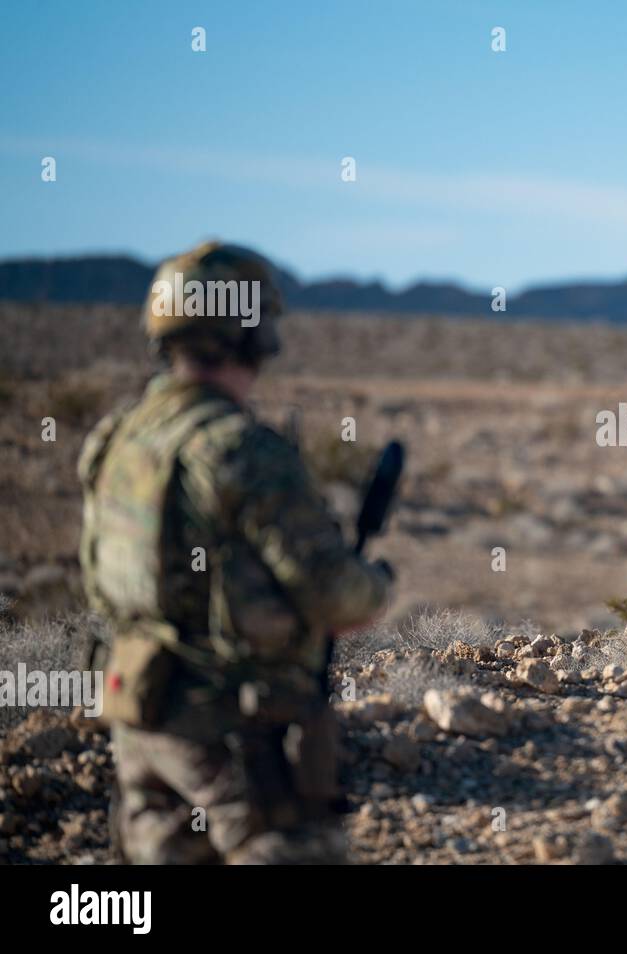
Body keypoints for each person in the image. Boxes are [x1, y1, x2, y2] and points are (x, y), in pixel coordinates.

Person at [78, 241, 393, 863]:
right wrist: (377, 581)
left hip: (139, 713)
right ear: (251, 336)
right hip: (233, 732)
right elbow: (339, 597)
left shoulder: (120, 436)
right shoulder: (242, 450)